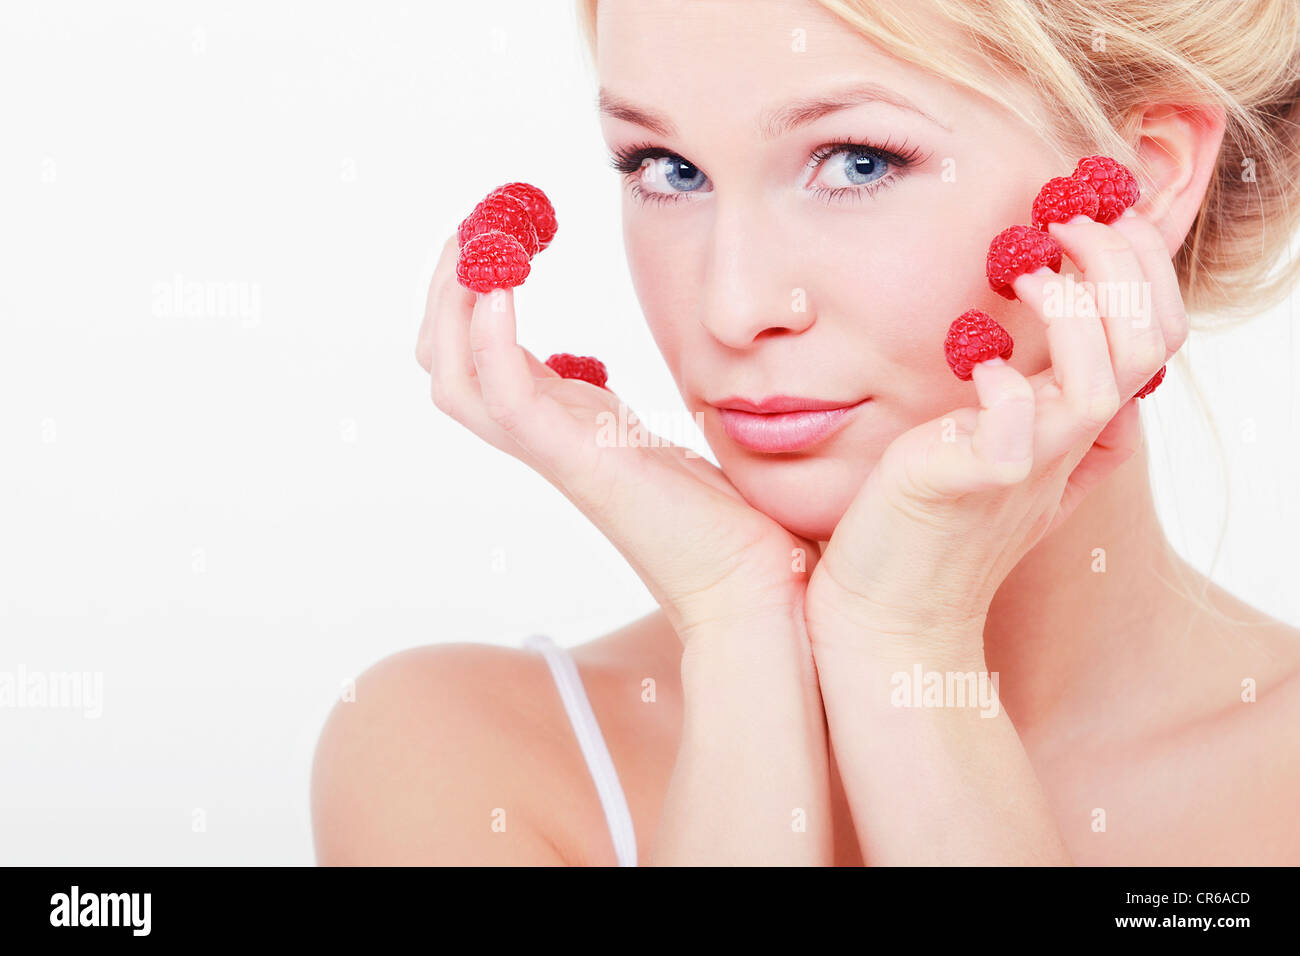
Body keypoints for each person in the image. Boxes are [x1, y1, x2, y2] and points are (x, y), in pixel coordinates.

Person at [312, 0, 1300, 865]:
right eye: (667, 168)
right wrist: (739, 624)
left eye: (856, 161)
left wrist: (904, 646)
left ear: (1143, 175)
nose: (732, 306)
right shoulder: (457, 756)